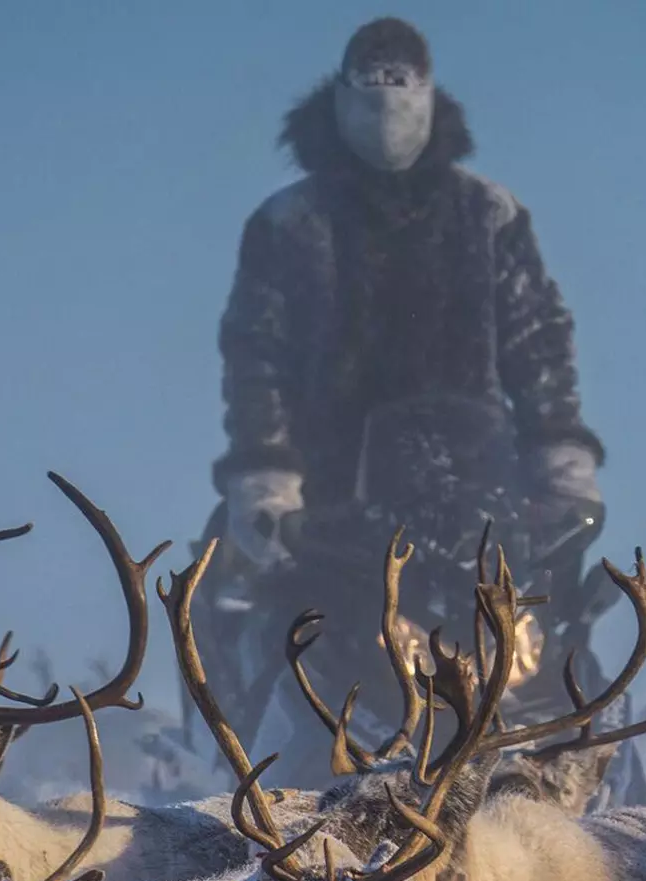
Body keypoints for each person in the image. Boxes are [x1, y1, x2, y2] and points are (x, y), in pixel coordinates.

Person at [213, 16, 606, 571]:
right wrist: (265, 476)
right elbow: (257, 355)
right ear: (343, 97)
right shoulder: (290, 223)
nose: (386, 113)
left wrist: (561, 459)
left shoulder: (488, 214)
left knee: (557, 616)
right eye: (372, 90)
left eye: (399, 88)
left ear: (426, 96)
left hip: (477, 489)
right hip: (327, 502)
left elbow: (536, 339)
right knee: (258, 607)